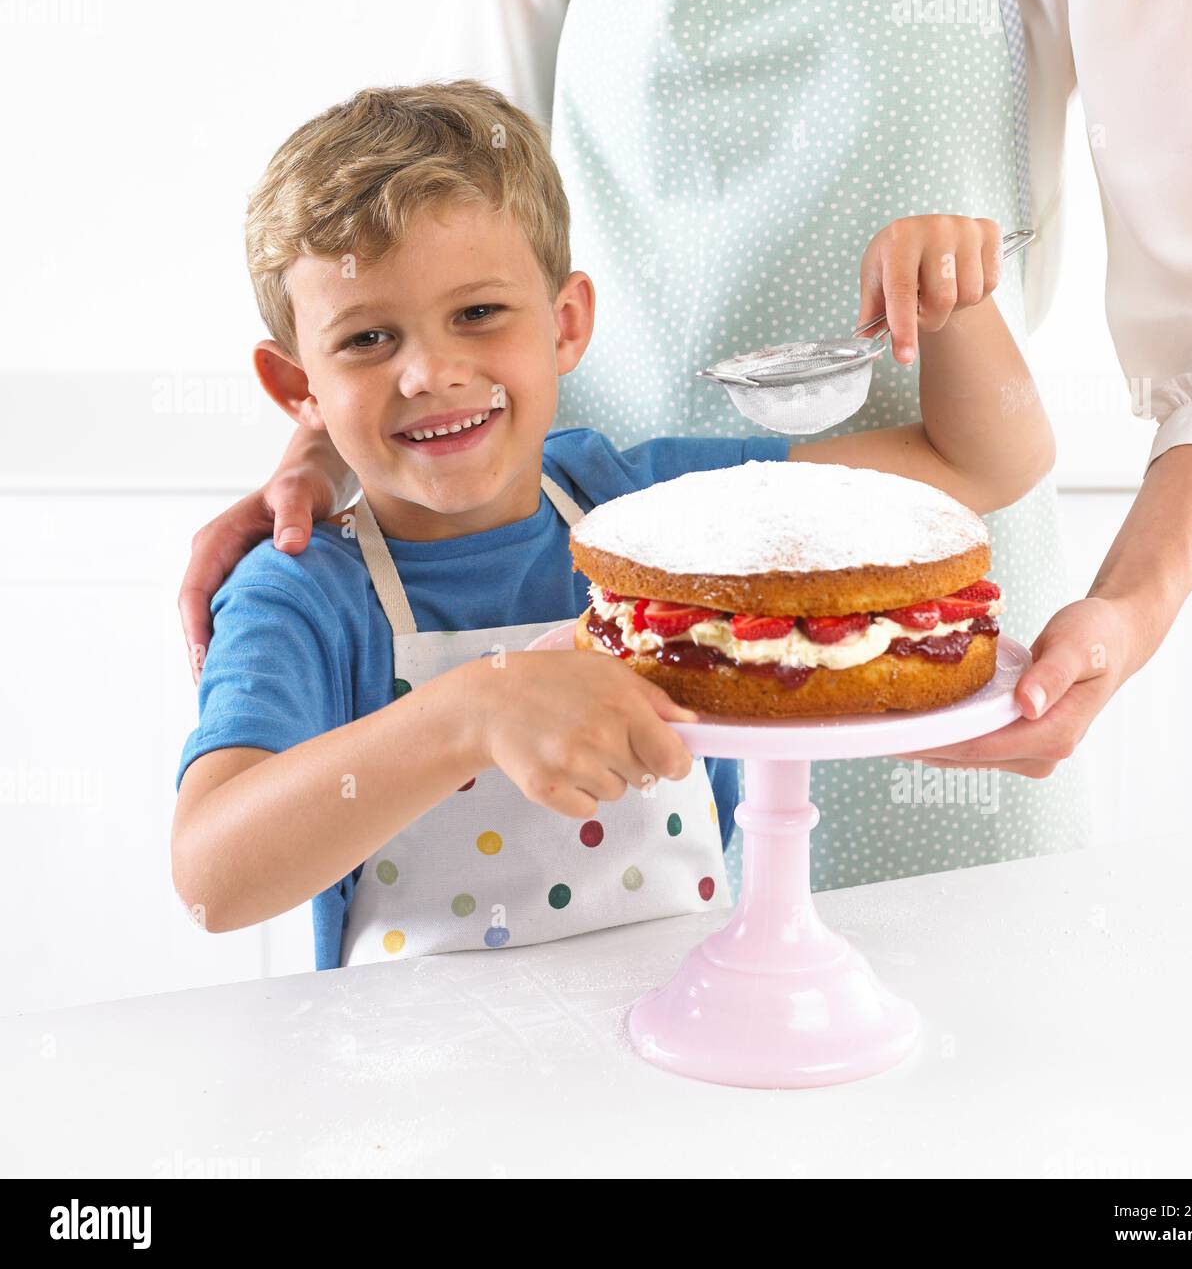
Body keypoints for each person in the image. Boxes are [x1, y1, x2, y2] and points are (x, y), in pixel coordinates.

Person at [180, 0, 1192, 898]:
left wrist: (1127, 611)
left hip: (928, 660)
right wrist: (316, 455)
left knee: (951, 1081)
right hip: (599, 629)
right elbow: (447, 208)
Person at [172, 79, 1054, 967]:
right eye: (367, 340)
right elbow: (211, 881)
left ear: (565, 325)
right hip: (430, 1094)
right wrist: (470, 712)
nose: (431, 373)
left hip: (683, 1055)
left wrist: (955, 299)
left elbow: (981, 464)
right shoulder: (300, 590)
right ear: (298, 390)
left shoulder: (652, 516)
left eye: (477, 314)